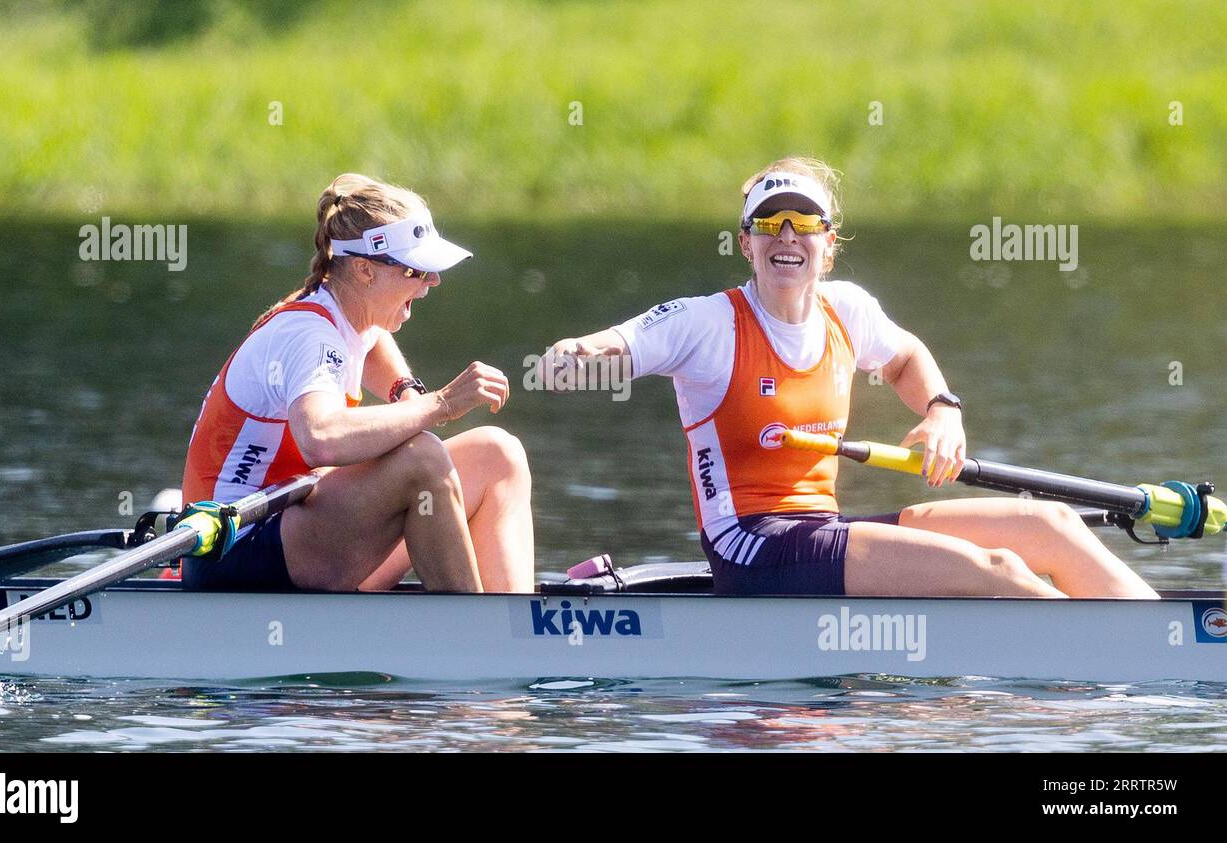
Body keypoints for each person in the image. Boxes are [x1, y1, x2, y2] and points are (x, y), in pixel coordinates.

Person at [544, 156, 1157, 599]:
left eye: (805, 223)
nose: (787, 235)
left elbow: (904, 357)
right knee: (994, 568)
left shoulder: (848, 309)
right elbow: (619, 342)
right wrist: (573, 351)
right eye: (770, 223)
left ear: (828, 246)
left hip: (821, 529)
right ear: (746, 244)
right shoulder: (709, 323)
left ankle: (1171, 645)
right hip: (751, 544)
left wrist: (943, 409)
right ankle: (1116, 661)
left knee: (1048, 524)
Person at [181, 173, 534, 593]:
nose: (431, 282)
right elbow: (321, 437)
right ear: (365, 270)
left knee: (498, 454)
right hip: (234, 549)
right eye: (414, 270)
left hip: (295, 532)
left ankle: (514, 625)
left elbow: (371, 341)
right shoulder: (310, 336)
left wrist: (406, 391)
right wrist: (440, 405)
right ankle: (474, 635)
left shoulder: (345, 310)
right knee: (422, 457)